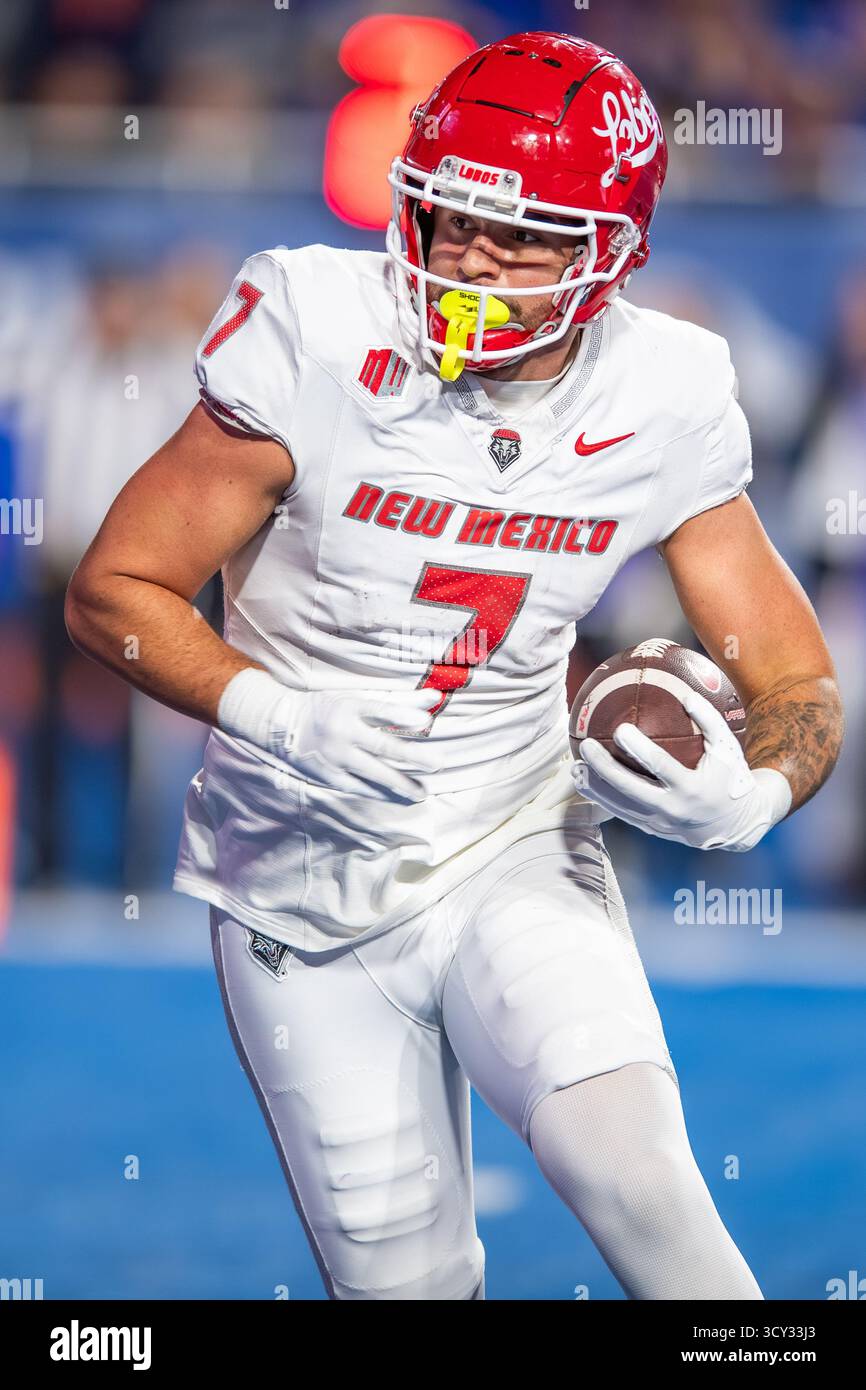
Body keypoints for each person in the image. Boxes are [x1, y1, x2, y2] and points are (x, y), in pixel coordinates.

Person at [65, 32, 842, 1300]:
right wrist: (278, 713)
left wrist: (753, 793)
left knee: (645, 1189)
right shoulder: (316, 329)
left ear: (611, 253)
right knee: (404, 1287)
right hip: (297, 883)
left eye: (523, 235)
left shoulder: (664, 386)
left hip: (509, 837)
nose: (470, 260)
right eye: (448, 217)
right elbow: (113, 589)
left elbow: (794, 684)